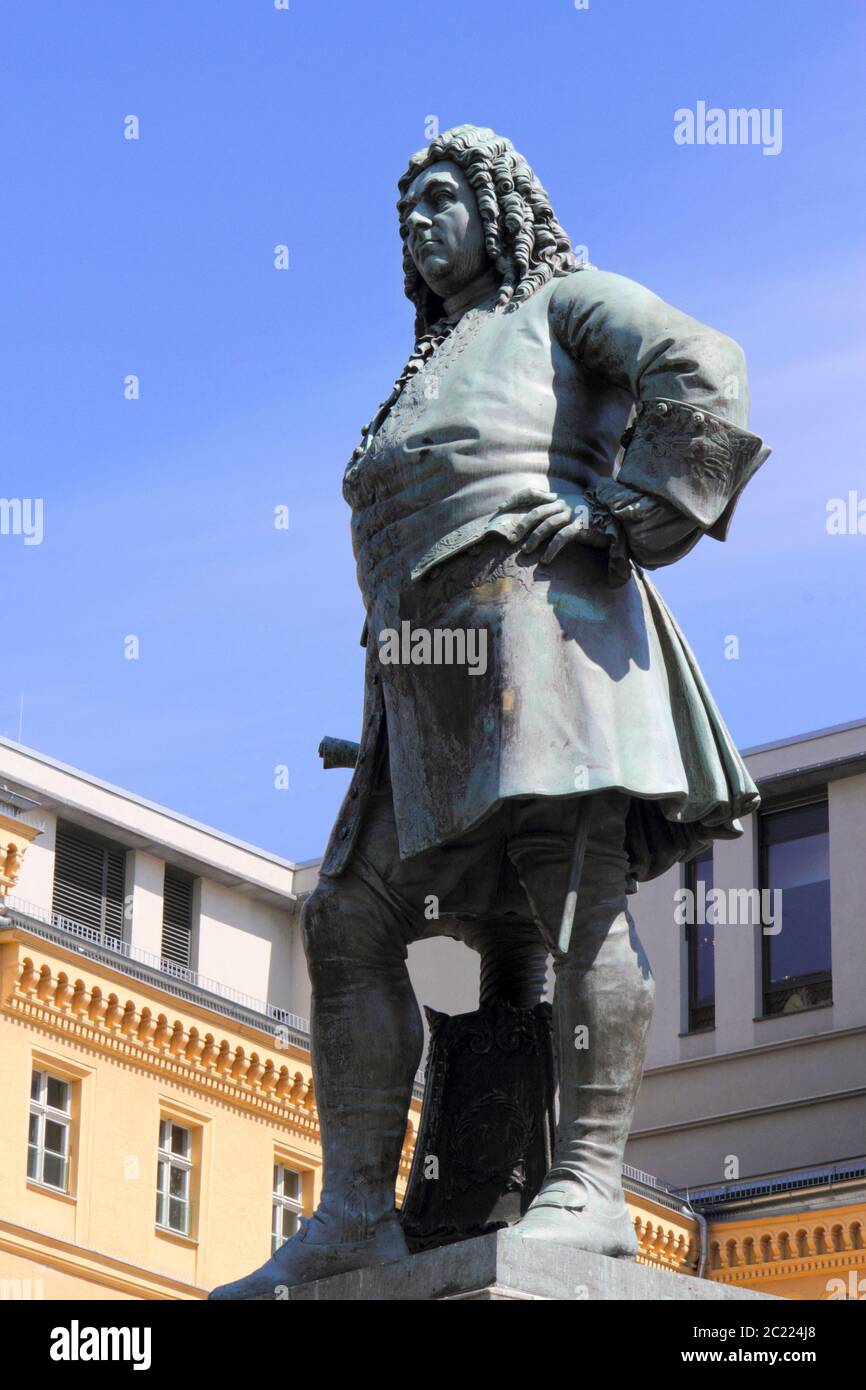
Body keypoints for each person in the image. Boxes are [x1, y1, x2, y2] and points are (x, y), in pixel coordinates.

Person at [210, 124, 769, 1300]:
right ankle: (359, 1209)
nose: (417, 223)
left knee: (574, 890)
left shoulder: (564, 302)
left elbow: (699, 363)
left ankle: (588, 1186)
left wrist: (629, 512)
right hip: (416, 683)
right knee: (347, 922)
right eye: (405, 210)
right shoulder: (428, 362)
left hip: (541, 631)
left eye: (440, 197)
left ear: (499, 207)